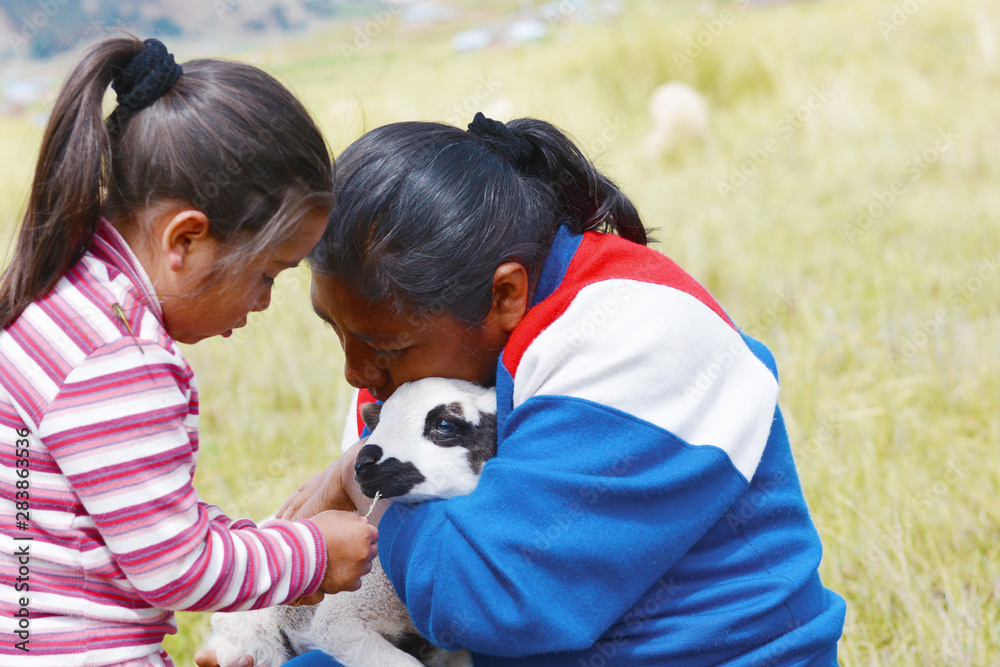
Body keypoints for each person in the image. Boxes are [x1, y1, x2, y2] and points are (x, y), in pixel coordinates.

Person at [276, 113, 848, 666]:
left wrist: (359, 475)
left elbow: (490, 598)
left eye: (388, 346)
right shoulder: (416, 379)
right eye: (336, 329)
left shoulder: (635, 334)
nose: (356, 371)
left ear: (506, 296)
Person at [0, 36, 379, 667]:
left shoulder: (61, 306)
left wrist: (260, 544)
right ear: (187, 239)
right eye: (267, 274)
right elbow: (176, 567)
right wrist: (311, 552)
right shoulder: (121, 362)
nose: (262, 304)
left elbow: (138, 511)